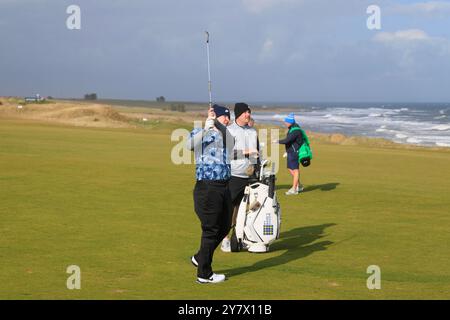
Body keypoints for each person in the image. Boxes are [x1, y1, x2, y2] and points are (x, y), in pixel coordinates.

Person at [186, 104, 233, 283]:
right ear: (215, 116)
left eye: (229, 117)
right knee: (211, 229)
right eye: (224, 116)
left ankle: (200, 257)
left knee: (225, 225)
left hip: (224, 186)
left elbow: (232, 141)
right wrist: (205, 129)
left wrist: (218, 125)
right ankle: (204, 274)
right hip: (208, 187)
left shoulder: (225, 134)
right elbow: (189, 145)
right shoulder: (200, 131)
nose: (228, 120)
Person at [220, 103, 259, 252]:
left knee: (245, 210)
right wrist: (246, 152)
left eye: (249, 112)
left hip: (250, 177)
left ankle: (239, 238)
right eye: (245, 113)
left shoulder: (253, 131)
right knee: (229, 210)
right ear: (238, 114)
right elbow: (228, 154)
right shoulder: (230, 130)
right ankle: (224, 239)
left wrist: (258, 168)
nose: (248, 115)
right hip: (234, 175)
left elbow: (256, 154)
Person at [276, 113, 304, 195]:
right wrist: (287, 151)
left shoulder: (295, 130)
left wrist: (277, 141)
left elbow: (287, 140)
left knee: (295, 170)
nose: (285, 123)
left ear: (290, 122)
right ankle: (299, 185)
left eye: (286, 121)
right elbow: (290, 142)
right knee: (290, 168)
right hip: (290, 152)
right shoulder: (292, 128)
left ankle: (294, 189)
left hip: (295, 152)